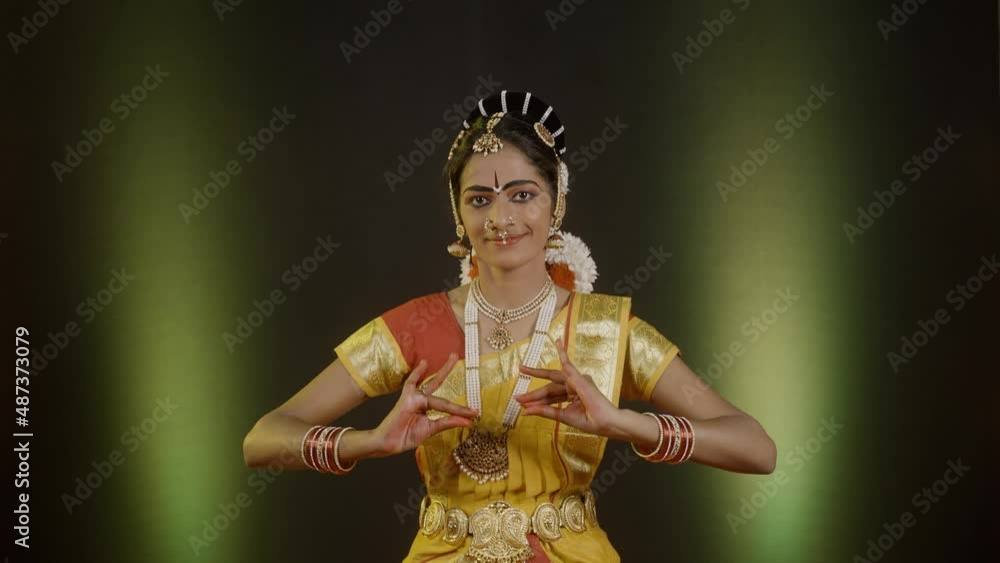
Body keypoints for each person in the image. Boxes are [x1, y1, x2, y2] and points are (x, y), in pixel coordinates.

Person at [242, 90, 777, 563]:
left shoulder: (605, 333)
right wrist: (371, 442)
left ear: (555, 203)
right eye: (480, 199)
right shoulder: (415, 325)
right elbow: (262, 440)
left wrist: (626, 425)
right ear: (458, 212)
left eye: (522, 194)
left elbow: (756, 448)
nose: (500, 217)